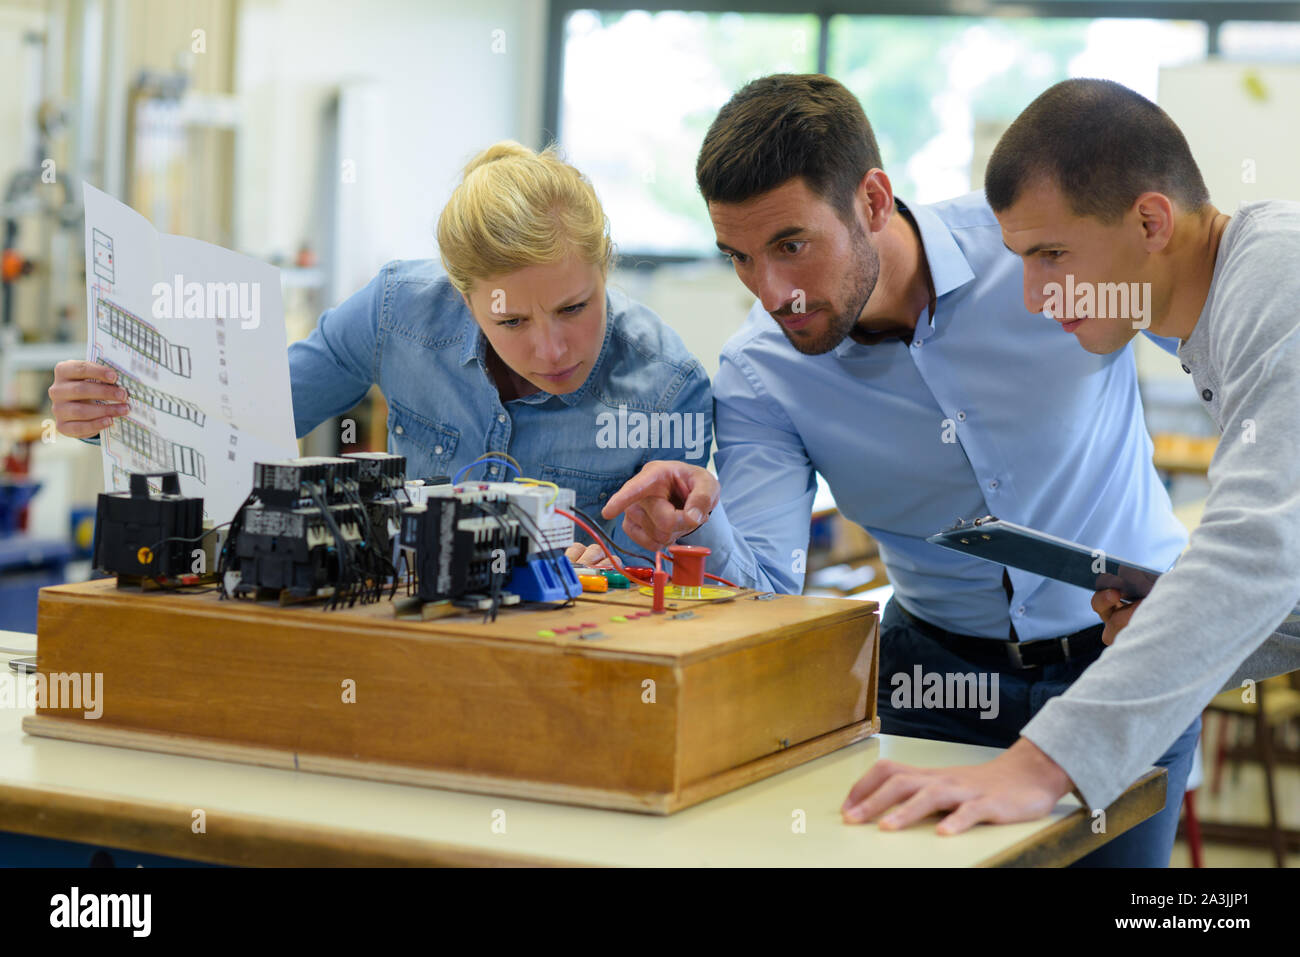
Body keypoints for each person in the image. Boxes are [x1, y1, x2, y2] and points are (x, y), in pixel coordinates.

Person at [587, 74, 1195, 865]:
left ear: (872, 200)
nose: (772, 292)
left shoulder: (1042, 248)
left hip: (1127, 662)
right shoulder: (760, 374)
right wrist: (703, 524)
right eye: (739, 257)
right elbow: (768, 588)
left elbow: (1215, 340)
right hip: (932, 689)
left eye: (791, 245)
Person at [839, 77, 1300, 836]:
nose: (1033, 294)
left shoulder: (1273, 281)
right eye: (1022, 257)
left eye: (1053, 253)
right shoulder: (1222, 312)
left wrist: (1038, 763)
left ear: (1151, 220)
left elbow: (1256, 550)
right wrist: (1171, 621)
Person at [49, 141, 712, 552]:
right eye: (511, 322)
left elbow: (680, 582)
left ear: (606, 267)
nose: (551, 348)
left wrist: (640, 555)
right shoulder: (398, 310)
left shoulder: (668, 386)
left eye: (575, 306)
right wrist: (106, 410)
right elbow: (242, 414)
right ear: (463, 294)